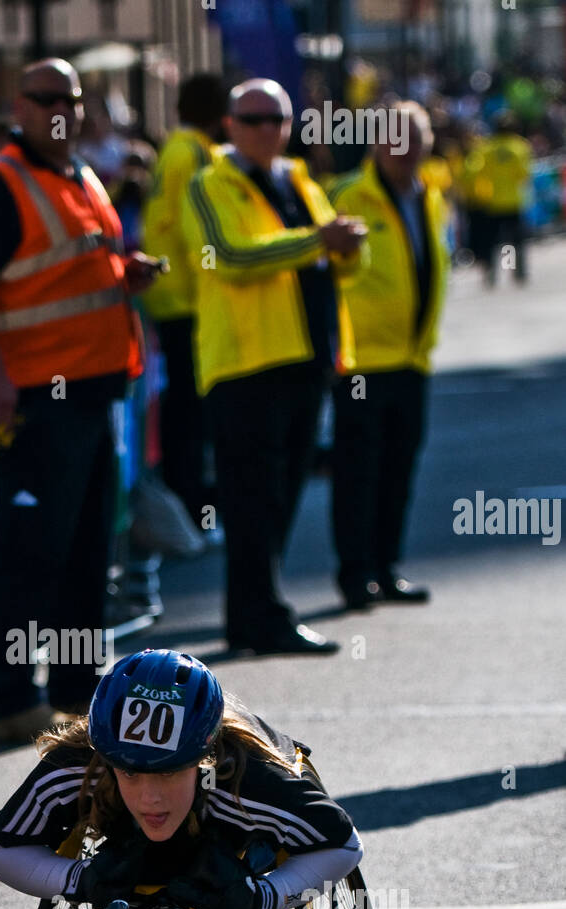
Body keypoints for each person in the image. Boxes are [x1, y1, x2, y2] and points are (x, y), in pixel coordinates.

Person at [0, 58, 162, 745]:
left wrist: (124, 274)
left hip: (94, 395)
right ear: (19, 104)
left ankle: (74, 694)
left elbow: (67, 273)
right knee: (28, 554)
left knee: (83, 552)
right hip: (37, 400)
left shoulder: (80, 175)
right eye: (45, 99)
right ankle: (12, 699)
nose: (60, 110)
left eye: (70, 98)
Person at [0, 649, 363, 909]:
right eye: (130, 772)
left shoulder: (250, 777)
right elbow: (3, 849)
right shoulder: (76, 764)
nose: (151, 796)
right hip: (131, 838)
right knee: (138, 856)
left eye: (168, 773)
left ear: (202, 758)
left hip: (239, 839)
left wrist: (265, 896)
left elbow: (343, 845)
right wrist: (79, 878)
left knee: (210, 861)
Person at [180, 78, 367, 658]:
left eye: (278, 118)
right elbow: (231, 258)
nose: (268, 129)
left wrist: (346, 248)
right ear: (230, 124)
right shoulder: (209, 183)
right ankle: (262, 615)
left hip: (303, 360)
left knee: (282, 493)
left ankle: (255, 616)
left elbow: (338, 268)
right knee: (251, 498)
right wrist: (319, 240)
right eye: (254, 118)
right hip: (244, 364)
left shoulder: (300, 180)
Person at [329, 102, 449, 610]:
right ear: (377, 143)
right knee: (359, 471)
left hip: (411, 357)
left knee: (400, 467)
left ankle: (386, 566)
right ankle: (356, 575)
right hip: (363, 361)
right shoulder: (350, 197)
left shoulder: (429, 195)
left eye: (416, 138)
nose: (407, 149)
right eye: (397, 138)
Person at [140, 72, 228, 528]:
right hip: (188, 297)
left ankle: (191, 502)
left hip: (171, 294)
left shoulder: (176, 148)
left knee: (184, 408)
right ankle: (192, 507)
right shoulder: (194, 153)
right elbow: (200, 226)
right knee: (190, 412)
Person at [464, 111, 532, 286]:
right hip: (513, 200)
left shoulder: (486, 148)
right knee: (516, 241)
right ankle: (518, 273)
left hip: (492, 201)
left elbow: (471, 172)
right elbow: (523, 174)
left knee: (492, 241)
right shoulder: (520, 147)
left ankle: (491, 274)